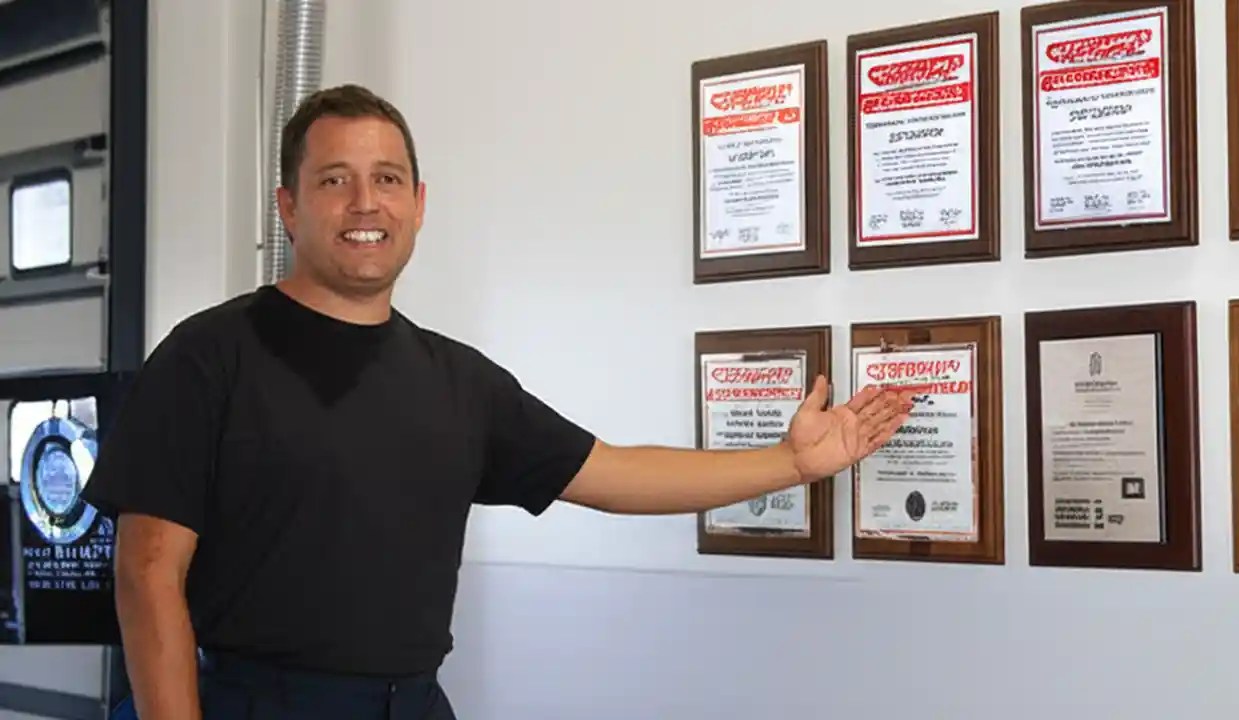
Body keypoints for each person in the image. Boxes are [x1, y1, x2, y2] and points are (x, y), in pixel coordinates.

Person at [79, 83, 913, 719]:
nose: (366, 202)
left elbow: (614, 474)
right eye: (335, 180)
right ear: (289, 207)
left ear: (418, 204)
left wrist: (790, 462)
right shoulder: (210, 356)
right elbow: (146, 573)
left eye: (387, 179)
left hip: (413, 703)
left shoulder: (458, 381)